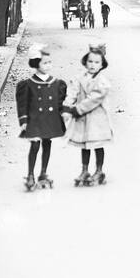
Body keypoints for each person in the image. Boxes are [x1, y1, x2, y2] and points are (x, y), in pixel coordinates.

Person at [16, 45, 67, 190]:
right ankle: (30, 174)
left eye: (50, 62)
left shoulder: (56, 83)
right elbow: (23, 104)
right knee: (35, 145)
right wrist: (24, 120)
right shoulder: (28, 84)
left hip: (49, 119)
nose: (48, 65)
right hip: (34, 120)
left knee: (47, 143)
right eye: (45, 63)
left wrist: (64, 114)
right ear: (36, 63)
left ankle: (43, 172)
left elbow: (59, 102)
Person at [64, 43, 113, 186]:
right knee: (84, 145)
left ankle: (99, 170)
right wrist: (67, 106)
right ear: (85, 62)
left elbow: (94, 98)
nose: (92, 65)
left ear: (102, 64)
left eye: (96, 62)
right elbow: (73, 91)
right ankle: (84, 169)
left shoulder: (102, 82)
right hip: (83, 119)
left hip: (97, 118)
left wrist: (78, 109)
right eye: (90, 61)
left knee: (97, 144)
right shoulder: (80, 78)